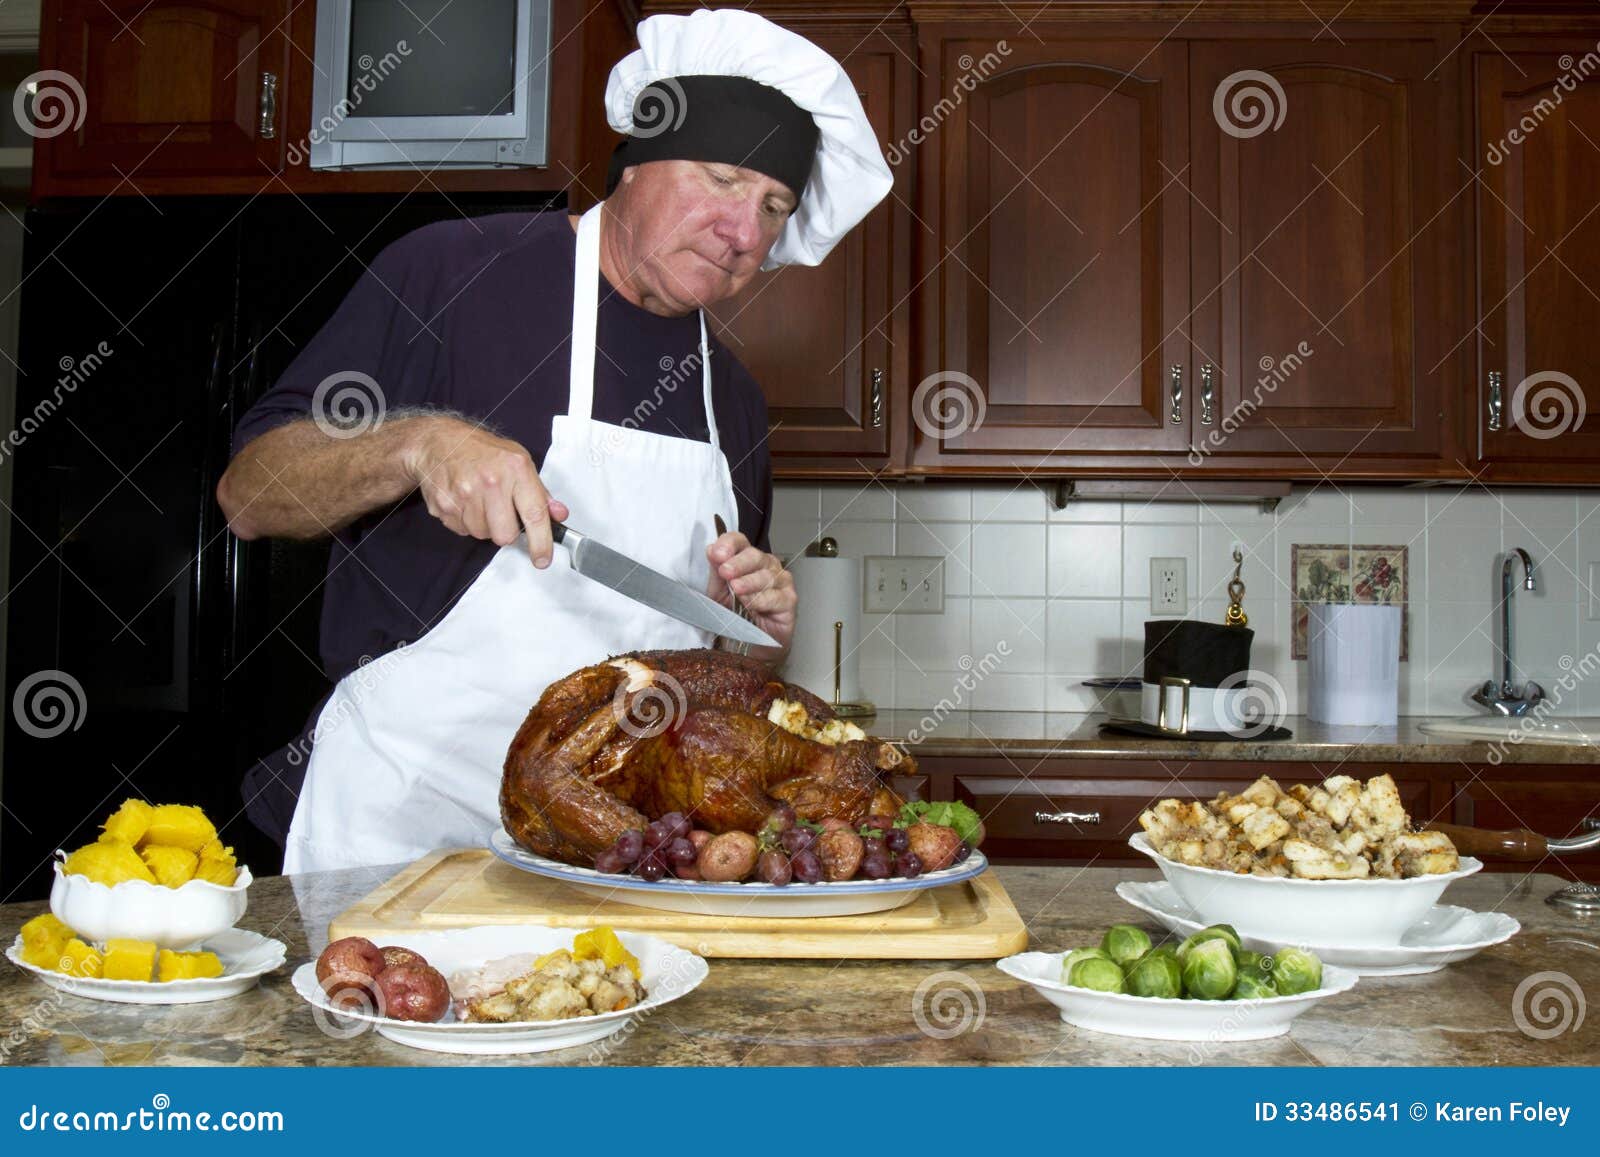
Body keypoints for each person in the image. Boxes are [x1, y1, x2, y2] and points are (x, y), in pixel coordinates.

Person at [216, 9, 893, 873]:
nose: (745, 234)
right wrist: (418, 446)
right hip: (400, 829)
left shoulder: (736, 402)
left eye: (774, 206)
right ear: (638, 162)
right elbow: (249, 493)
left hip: (609, 853)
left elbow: (707, 671)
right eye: (722, 178)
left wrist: (756, 638)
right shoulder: (453, 274)